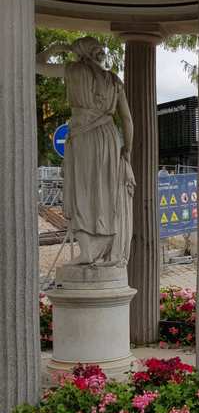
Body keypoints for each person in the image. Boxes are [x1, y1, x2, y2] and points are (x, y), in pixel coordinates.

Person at [37, 37, 135, 266]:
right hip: (109, 137)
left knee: (81, 190)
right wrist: (127, 151)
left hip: (83, 136)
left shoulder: (73, 69)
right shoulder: (114, 81)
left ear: (80, 52)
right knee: (105, 191)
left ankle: (88, 251)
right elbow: (128, 121)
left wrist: (56, 47)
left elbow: (36, 64)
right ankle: (105, 244)